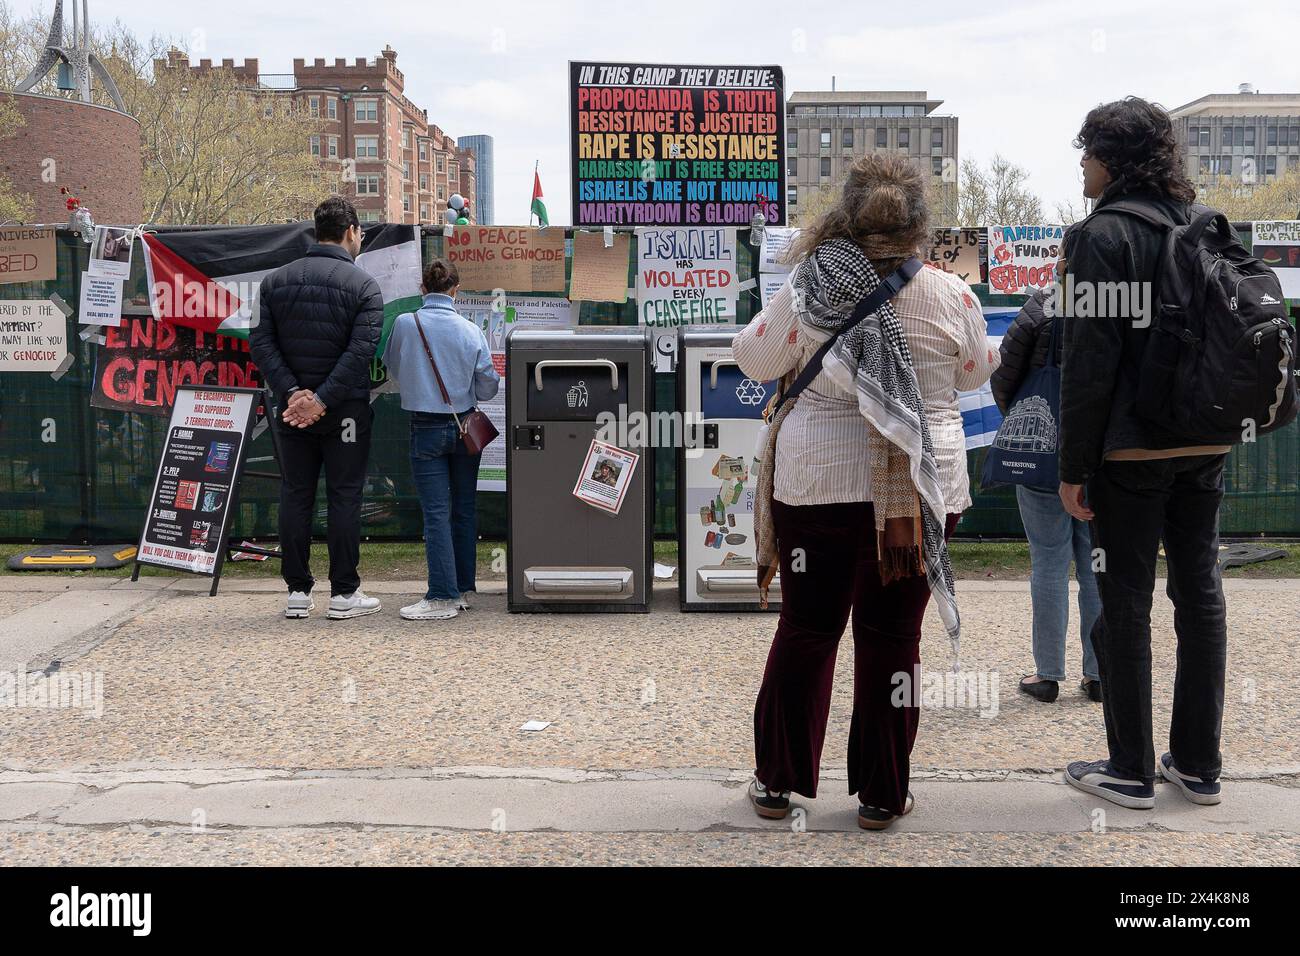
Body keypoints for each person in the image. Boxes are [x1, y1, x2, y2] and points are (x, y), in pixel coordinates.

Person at [734, 154, 996, 830]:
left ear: (846, 216)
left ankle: (775, 783)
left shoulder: (808, 286)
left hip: (816, 485)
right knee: (891, 640)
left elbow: (756, 359)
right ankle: (883, 794)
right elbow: (972, 375)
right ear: (919, 224)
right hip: (918, 488)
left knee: (808, 629)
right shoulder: (952, 294)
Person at [1059, 97, 1227, 809]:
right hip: (1206, 438)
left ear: (1113, 160)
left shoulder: (1102, 236)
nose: (1081, 164)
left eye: (1088, 150)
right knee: (1201, 595)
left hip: (1130, 453)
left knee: (1123, 602)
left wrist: (1072, 467)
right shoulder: (1204, 225)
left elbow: (1088, 364)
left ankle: (1128, 768)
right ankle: (1198, 765)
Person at [251, 196, 383, 621]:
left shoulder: (275, 282)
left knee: (296, 493)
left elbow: (261, 345)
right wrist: (321, 399)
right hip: (344, 410)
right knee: (345, 495)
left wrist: (293, 394)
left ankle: (296, 591)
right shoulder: (364, 285)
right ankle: (344, 594)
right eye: (360, 233)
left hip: (291, 412)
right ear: (351, 233)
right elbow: (360, 352)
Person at [989, 244, 1102, 705]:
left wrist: (1021, 419)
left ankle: (1048, 674)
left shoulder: (1041, 306)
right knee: (1098, 567)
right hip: (1100, 457)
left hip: (1042, 458)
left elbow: (1004, 374)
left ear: (1059, 265)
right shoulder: (1120, 310)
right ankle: (1099, 674)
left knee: (1049, 564)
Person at [383, 258, 499, 621]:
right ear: (455, 290)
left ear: (423, 289)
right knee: (464, 509)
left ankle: (442, 595)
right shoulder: (470, 330)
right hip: (466, 425)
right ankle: (463, 588)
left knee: (436, 512)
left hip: (425, 426)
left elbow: (393, 367)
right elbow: (488, 386)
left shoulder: (405, 323)